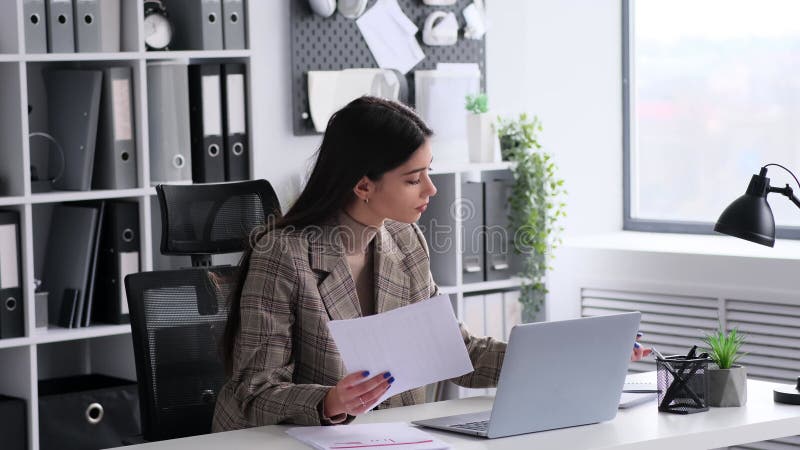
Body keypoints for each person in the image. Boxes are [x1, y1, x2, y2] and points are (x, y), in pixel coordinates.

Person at [212, 96, 648, 431]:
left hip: (389, 436)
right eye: (413, 178)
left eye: (429, 172)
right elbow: (254, 391)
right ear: (363, 186)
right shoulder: (283, 255)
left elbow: (457, 352)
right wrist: (328, 402)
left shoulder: (405, 241)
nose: (431, 190)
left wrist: (573, 355)